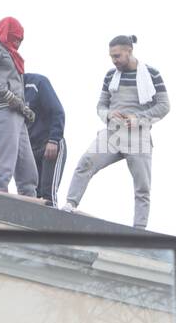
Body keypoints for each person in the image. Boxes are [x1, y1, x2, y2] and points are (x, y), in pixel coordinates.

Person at [62, 34, 170, 229]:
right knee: (86, 162)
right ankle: (70, 204)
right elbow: (100, 106)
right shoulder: (111, 75)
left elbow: (164, 106)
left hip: (139, 136)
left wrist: (139, 119)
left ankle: (139, 229)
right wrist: (109, 115)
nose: (114, 60)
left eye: (118, 56)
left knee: (142, 187)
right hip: (113, 132)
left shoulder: (152, 74)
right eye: (112, 56)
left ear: (130, 51)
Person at [0, 17, 40, 198]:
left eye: (21, 40)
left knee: (28, 173)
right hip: (0, 110)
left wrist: (23, 107)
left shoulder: (12, 55)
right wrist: (6, 94)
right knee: (3, 167)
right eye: (15, 38)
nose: (18, 43)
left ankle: (30, 209)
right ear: (5, 33)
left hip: (15, 112)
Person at [23, 72, 67, 205]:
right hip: (30, 148)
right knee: (32, 195)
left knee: (47, 195)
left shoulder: (37, 82)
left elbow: (58, 111)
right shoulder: (7, 90)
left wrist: (53, 140)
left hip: (49, 143)